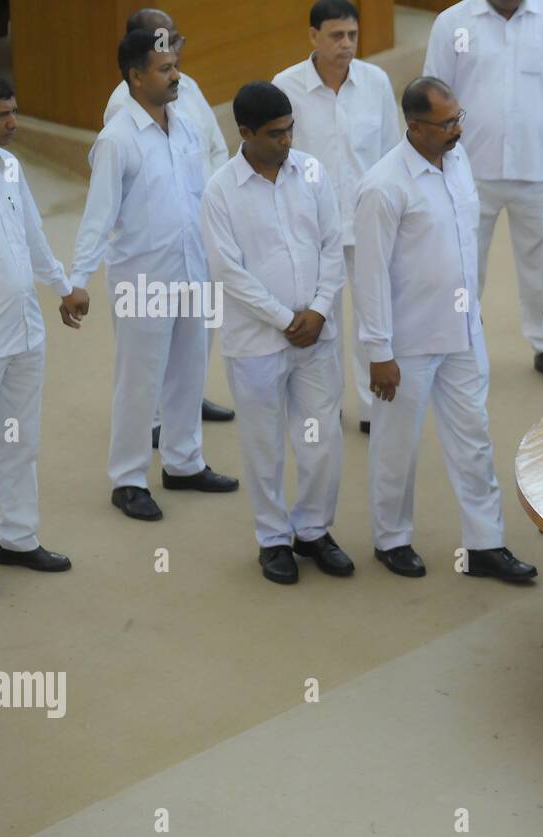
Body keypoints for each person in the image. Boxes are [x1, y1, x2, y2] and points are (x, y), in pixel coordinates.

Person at [354, 77, 538, 583]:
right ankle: (390, 539)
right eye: (446, 123)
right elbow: (368, 276)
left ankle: (485, 543)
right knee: (397, 446)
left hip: (462, 332)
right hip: (406, 343)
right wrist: (379, 352)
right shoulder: (382, 186)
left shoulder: (457, 161)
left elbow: (461, 247)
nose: (457, 130)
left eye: (459, 118)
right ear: (414, 126)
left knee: (474, 439)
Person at [70, 29, 239, 522]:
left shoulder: (185, 124)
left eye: (176, 65)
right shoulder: (116, 140)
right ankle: (128, 478)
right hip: (144, 280)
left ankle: (184, 462)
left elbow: (203, 193)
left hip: (194, 267)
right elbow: (97, 217)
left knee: (189, 371)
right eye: (165, 69)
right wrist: (78, 279)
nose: (176, 75)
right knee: (139, 381)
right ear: (136, 76)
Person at [201, 82, 352, 585]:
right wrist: (287, 319)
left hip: (317, 335)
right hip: (258, 344)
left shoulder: (311, 171)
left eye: (290, 129)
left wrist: (321, 310)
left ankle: (312, 529)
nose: (287, 141)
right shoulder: (220, 189)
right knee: (263, 446)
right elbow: (229, 272)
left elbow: (334, 245)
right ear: (244, 133)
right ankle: (273, 539)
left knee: (322, 439)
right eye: (275, 133)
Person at [423, 0, 543, 389]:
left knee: (542, 264)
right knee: (463, 264)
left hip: (535, 169)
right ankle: (458, 344)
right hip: (466, 171)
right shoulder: (452, 23)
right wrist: (430, 164)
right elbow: (429, 94)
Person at [0, 72, 83, 599]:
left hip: (25, 332)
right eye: (2, 115)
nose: (14, 123)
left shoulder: (11, 167)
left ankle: (16, 537)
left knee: (19, 439)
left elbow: (33, 231)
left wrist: (62, 286)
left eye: (14, 111)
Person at [103, 6, 235, 433]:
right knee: (153, 338)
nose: (175, 46)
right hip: (155, 244)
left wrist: (210, 199)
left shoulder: (187, 84)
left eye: (176, 38)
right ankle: (155, 419)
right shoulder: (123, 106)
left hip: (201, 225)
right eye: (164, 40)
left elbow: (215, 145)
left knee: (197, 327)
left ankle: (188, 398)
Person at [274, 0, 401, 434]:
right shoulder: (285, 87)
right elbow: (279, 159)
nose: (346, 45)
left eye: (352, 35)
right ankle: (322, 410)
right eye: (335, 36)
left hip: (368, 222)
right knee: (321, 324)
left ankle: (372, 410)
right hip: (312, 227)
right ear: (313, 36)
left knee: (373, 316)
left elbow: (389, 154)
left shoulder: (376, 82)